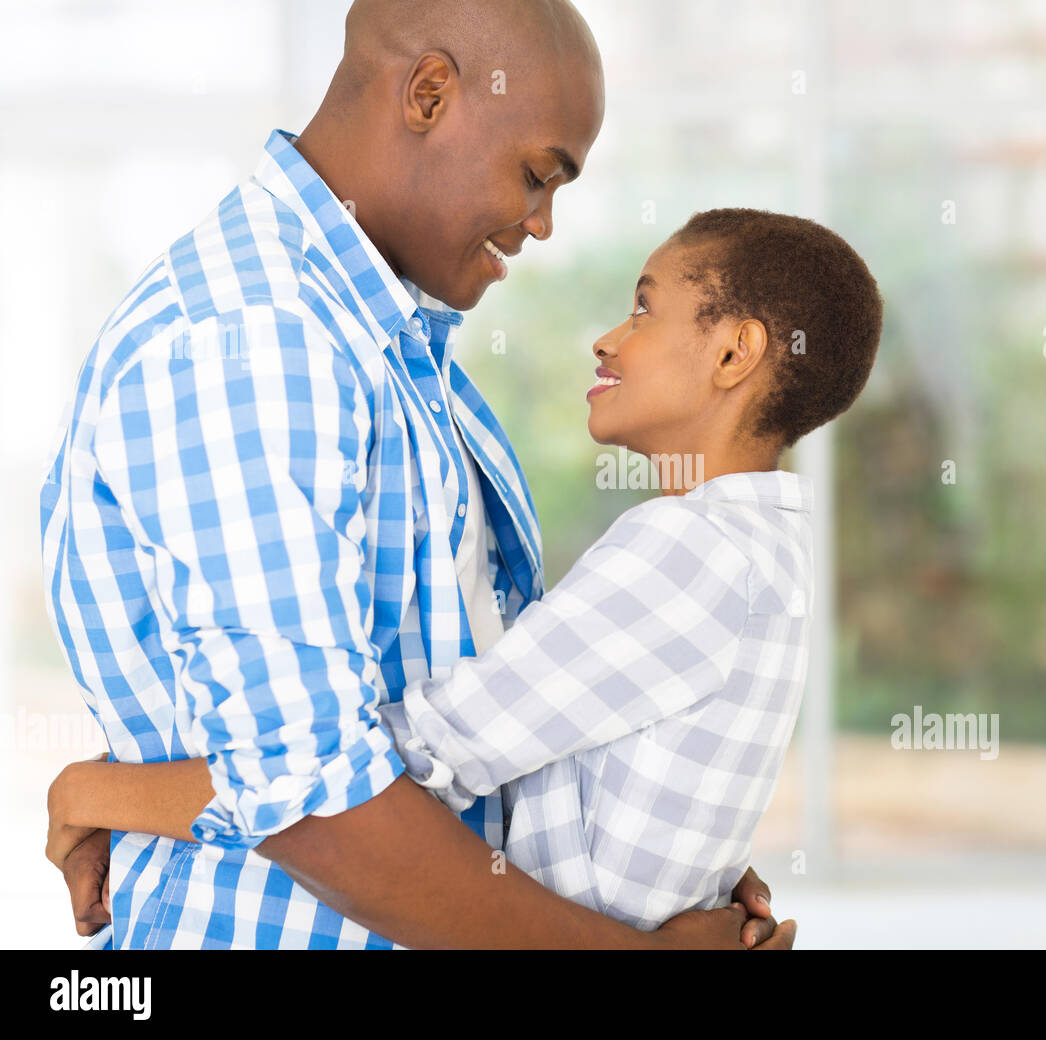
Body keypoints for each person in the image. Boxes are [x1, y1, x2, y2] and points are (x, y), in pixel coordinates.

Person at [39, 0, 788, 949]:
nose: (544, 223)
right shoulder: (253, 345)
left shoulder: (390, 347)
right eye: (536, 174)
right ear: (429, 94)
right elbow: (318, 807)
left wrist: (667, 858)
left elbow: (465, 716)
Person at [47, 209, 885, 931]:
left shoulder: (686, 548)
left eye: (642, 310)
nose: (609, 339)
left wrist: (95, 793)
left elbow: (407, 759)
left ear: (736, 353)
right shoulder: (768, 550)